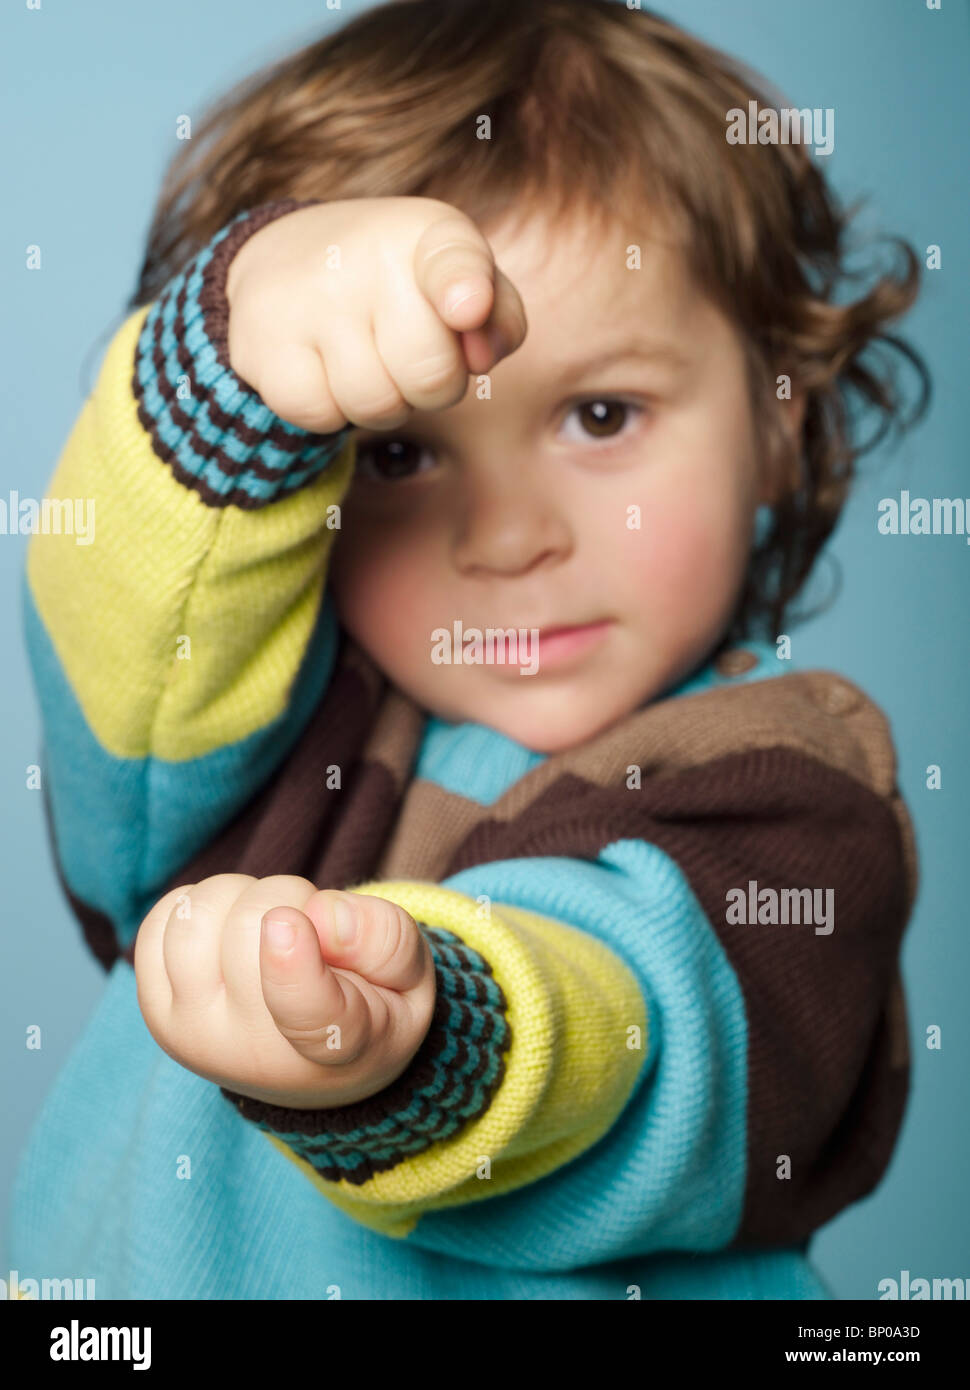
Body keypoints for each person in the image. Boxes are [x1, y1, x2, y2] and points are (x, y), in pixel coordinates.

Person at [12, 0, 928, 1299]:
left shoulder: (793, 792)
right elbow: (127, 653)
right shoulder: (266, 734)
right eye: (396, 451)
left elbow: (641, 1010)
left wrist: (428, 1029)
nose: (506, 539)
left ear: (781, 415)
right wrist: (238, 362)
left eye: (601, 414)